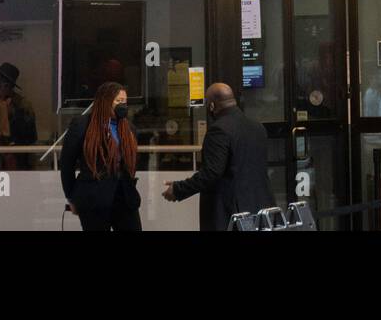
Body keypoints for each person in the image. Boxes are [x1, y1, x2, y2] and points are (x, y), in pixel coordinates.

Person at [162, 82, 271, 231]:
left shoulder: (218, 130)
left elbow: (211, 173)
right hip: (260, 208)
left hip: (231, 214)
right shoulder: (258, 127)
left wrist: (178, 189)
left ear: (212, 106)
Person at [59, 81, 141, 231]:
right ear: (105, 101)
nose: (123, 105)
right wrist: (71, 197)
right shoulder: (82, 125)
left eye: (125, 101)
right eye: (118, 101)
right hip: (93, 199)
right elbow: (66, 164)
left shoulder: (129, 128)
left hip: (124, 198)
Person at [0, 62, 37, 170]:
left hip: (17, 160)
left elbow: (31, 137)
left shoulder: (23, 105)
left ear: (8, 84)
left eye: (0, 80)